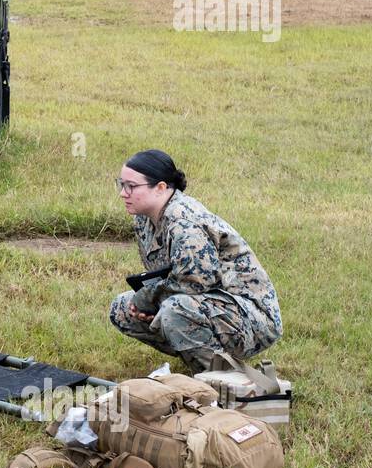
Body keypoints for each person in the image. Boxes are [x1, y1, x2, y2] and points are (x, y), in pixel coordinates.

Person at [109, 149, 282, 371]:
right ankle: (205, 355)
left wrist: (151, 299)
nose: (123, 193)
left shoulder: (184, 220)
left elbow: (197, 282)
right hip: (211, 305)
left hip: (252, 318)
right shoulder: (144, 218)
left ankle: (220, 380)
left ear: (161, 187)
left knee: (175, 309)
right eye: (121, 184)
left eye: (131, 186)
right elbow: (168, 275)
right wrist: (148, 302)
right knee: (123, 308)